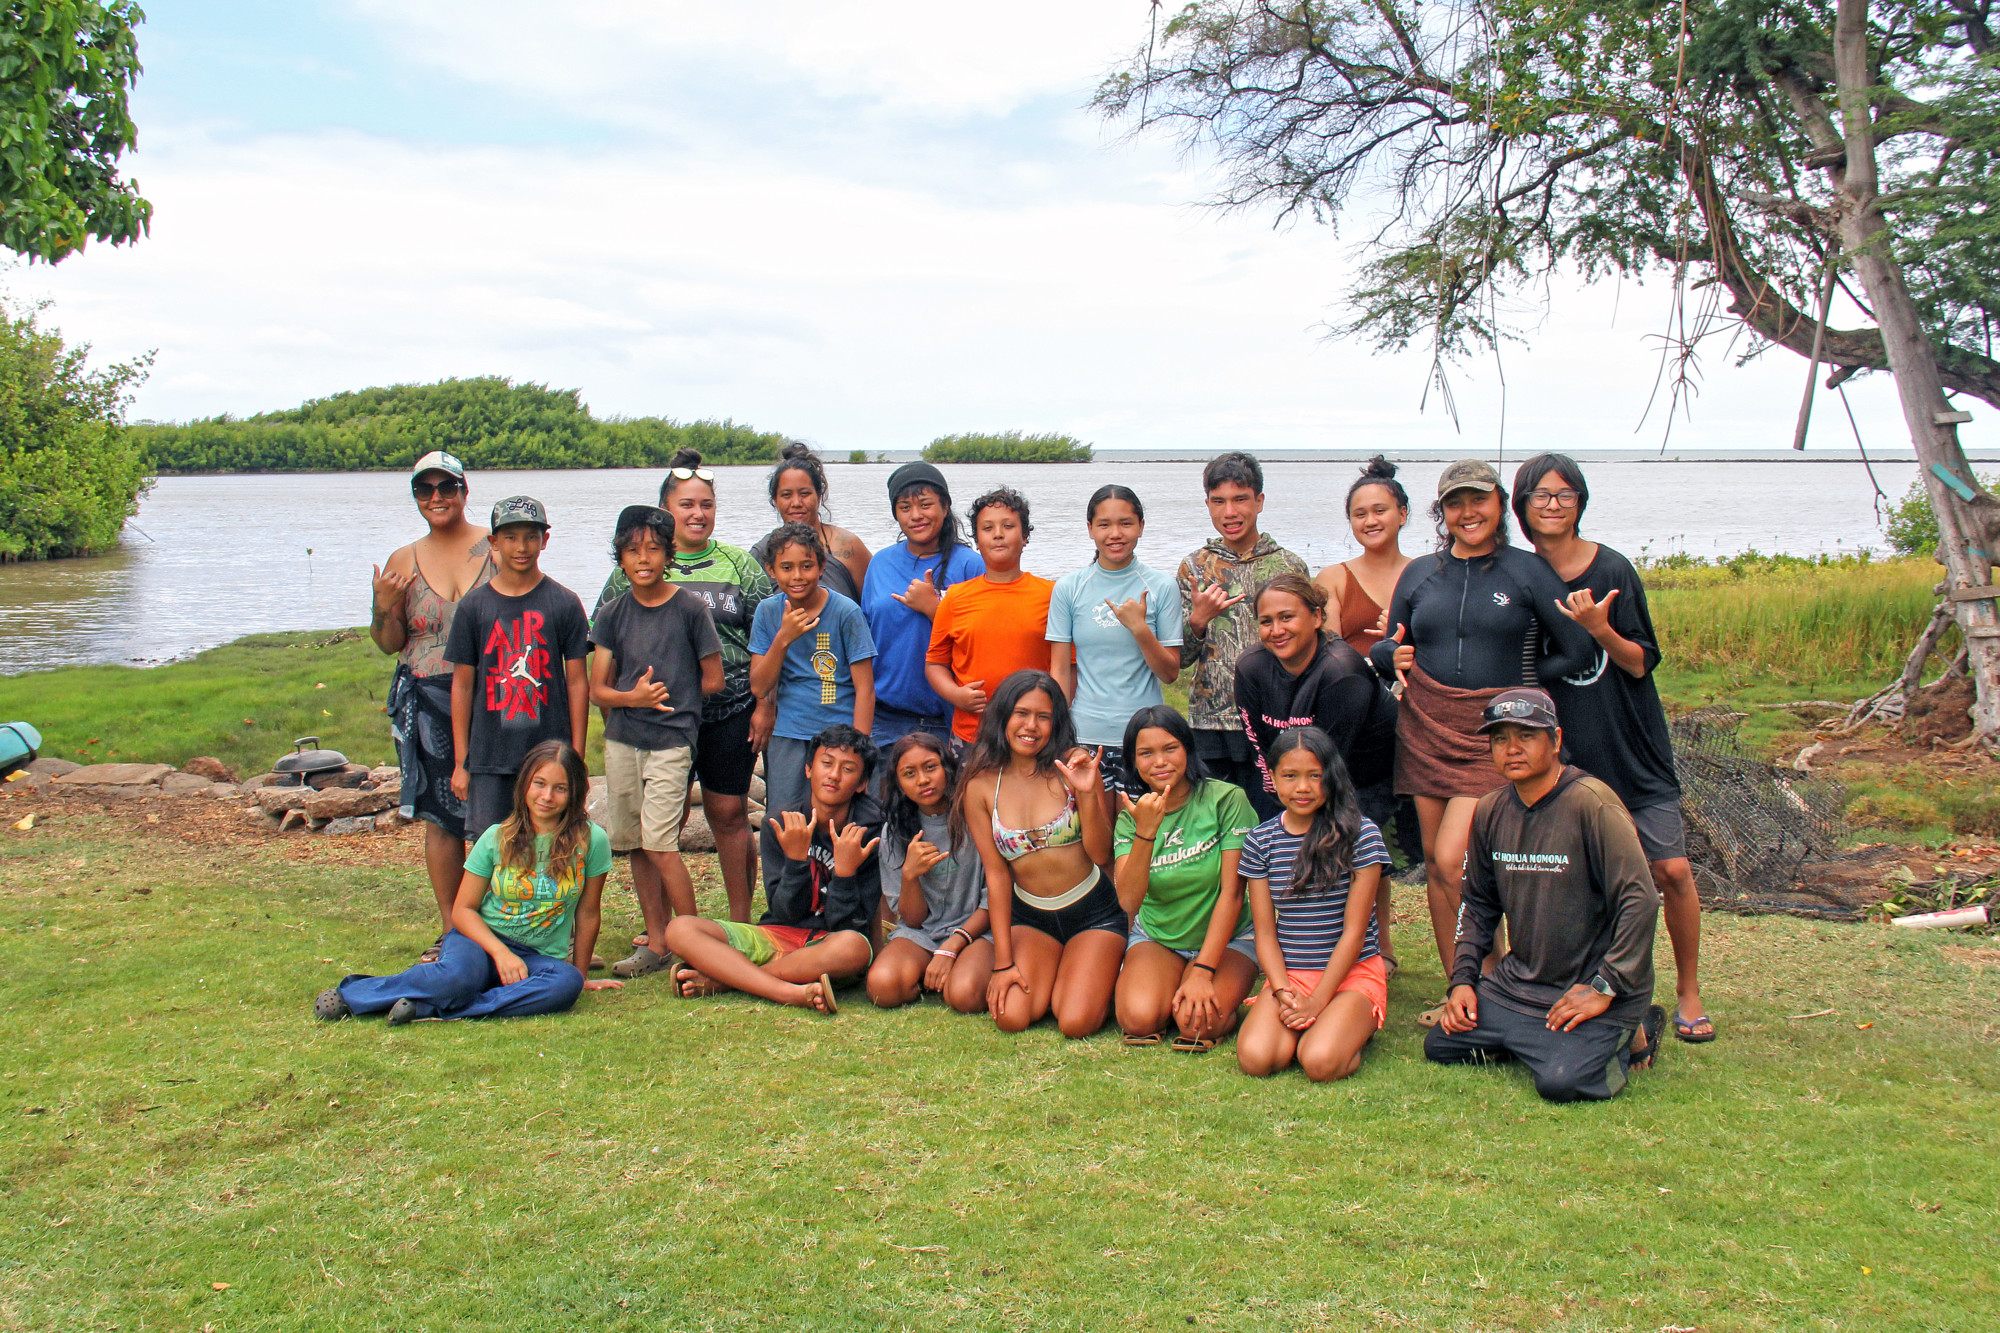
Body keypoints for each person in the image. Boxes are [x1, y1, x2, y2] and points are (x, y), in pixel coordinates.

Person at [1369, 460, 1597, 1008]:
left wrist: (1518, 687)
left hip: (1494, 736)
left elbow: (1579, 650)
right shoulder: (1421, 573)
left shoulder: (1528, 571)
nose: (1467, 513)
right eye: (1454, 503)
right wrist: (1385, 655)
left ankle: (1494, 983)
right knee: (1435, 863)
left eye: (1478, 501)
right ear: (1441, 512)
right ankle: (1463, 988)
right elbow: (1388, 648)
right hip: (1425, 724)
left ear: (1499, 505)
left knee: (1454, 860)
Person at [1513, 453, 1712, 1044]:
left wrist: (1600, 629)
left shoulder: (1614, 569)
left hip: (1633, 744)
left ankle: (1689, 990)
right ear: (1521, 505)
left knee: (1670, 870)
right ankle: (1594, 989)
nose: (1553, 504)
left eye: (1564, 494)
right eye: (1541, 495)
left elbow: (1642, 661)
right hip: (1566, 760)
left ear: (1580, 501)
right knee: (1582, 884)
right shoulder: (1520, 578)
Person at [1424, 688, 1666, 1101]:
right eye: (1500, 739)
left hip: (1591, 985)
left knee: (1561, 1083)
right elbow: (1478, 904)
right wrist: (1462, 981)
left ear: (1555, 741)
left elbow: (1640, 899)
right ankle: (1542, 1037)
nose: (1512, 749)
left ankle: (1633, 1028)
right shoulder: (1490, 809)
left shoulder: (1592, 803)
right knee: (1444, 1044)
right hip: (1521, 983)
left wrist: (1605, 986)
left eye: (1526, 736)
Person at [315, 741, 622, 1023]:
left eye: (560, 788)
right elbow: (463, 910)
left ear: (575, 793)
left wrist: (580, 976)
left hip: (539, 958)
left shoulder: (591, 840)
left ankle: (434, 1008)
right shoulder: (496, 837)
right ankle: (353, 993)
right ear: (525, 784)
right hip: (479, 941)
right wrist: (501, 953)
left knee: (564, 985)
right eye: (539, 784)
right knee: (457, 978)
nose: (547, 796)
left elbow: (587, 913)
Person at [596, 448, 776, 923]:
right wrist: (616, 715)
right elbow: (604, 649)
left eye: (707, 505)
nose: (698, 514)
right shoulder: (631, 572)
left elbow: (769, 638)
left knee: (729, 815)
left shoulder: (741, 566)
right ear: (666, 511)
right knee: (656, 826)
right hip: (652, 721)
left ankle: (739, 925)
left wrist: (764, 706)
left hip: (728, 710)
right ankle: (661, 932)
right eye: (686, 505)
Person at [1234, 572, 1400, 969]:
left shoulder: (1342, 671)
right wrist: (1280, 793)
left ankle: (1378, 948)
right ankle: (1293, 944)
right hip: (1291, 769)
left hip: (1363, 769)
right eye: (1266, 621)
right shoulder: (1251, 668)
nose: (1276, 630)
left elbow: (1331, 761)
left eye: (1287, 617)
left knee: (1359, 856)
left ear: (1317, 616)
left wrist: (1300, 794)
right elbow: (1259, 743)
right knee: (1289, 845)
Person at [589, 505, 725, 980]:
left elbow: (714, 677)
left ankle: (694, 946)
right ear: (620, 559)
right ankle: (658, 940)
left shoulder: (689, 609)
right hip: (624, 739)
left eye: (652, 548)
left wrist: (666, 696)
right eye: (632, 550)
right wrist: (633, 697)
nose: (642, 558)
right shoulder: (612, 613)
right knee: (636, 846)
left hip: (672, 741)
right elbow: (597, 689)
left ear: (669, 555)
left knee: (663, 843)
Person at [368, 450, 493, 962]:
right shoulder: (402, 560)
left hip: (492, 697)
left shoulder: (498, 545)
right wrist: (381, 605)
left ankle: (512, 918)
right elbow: (387, 640)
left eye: (447, 488)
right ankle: (452, 927)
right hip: (426, 695)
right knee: (440, 816)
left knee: (499, 810)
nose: (437, 498)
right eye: (426, 490)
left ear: (465, 490)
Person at [665, 725, 882, 1013]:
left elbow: (851, 926)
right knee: (680, 928)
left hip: (828, 945)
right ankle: (785, 990)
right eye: (826, 763)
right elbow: (783, 914)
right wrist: (795, 861)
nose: (833, 775)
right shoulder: (781, 822)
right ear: (808, 769)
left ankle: (727, 980)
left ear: (862, 783)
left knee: (853, 947)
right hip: (776, 934)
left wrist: (844, 873)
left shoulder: (872, 831)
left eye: (848, 769)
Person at [956, 671, 1124, 1038]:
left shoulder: (1073, 770)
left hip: (1094, 912)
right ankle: (1063, 976)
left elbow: (1101, 853)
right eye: (1021, 713)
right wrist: (1002, 964)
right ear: (1003, 716)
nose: (1031, 726)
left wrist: (1088, 793)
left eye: (1043, 717)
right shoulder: (980, 785)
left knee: (1075, 1022)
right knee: (1011, 1017)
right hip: (1032, 919)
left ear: (1056, 723)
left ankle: (1097, 978)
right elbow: (997, 876)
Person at [1235, 727, 1393, 1081]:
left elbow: (1355, 933)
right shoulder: (1260, 841)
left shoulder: (1361, 835)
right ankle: (1314, 1025)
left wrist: (1319, 1000)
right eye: (1290, 776)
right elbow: (1265, 932)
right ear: (1272, 776)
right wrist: (1280, 990)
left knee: (1319, 1062)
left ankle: (1342, 1025)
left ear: (1331, 776)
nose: (1302, 788)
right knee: (1257, 1059)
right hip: (1290, 975)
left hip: (1351, 973)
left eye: (1314, 776)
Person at [1111, 705, 1261, 1052]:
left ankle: (1217, 999)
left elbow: (1232, 894)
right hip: (1160, 936)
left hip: (1228, 939)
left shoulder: (1227, 800)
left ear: (1188, 749)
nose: (1159, 762)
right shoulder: (1132, 818)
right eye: (1146, 753)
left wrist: (1204, 969)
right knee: (1138, 1018)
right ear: (1134, 763)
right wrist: (1146, 833)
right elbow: (1129, 902)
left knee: (1197, 1025)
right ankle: (1166, 984)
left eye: (1170, 748)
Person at [444, 496, 590, 843]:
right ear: (493, 542)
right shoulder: (474, 606)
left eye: (530, 536)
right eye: (510, 537)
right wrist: (462, 761)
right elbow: (463, 686)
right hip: (490, 757)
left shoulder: (565, 603)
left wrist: (577, 758)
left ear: (545, 540)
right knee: (491, 848)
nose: (521, 547)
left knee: (550, 846)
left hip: (549, 756)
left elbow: (577, 684)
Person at [749, 522, 877, 891]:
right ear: (771, 571)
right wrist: (784, 638)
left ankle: (839, 895)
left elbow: (865, 688)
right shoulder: (769, 613)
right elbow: (759, 684)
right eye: (786, 568)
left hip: (838, 734)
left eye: (806, 566)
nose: (797, 575)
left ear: (822, 567)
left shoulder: (845, 612)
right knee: (782, 818)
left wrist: (861, 749)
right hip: (790, 733)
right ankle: (782, 900)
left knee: (838, 819)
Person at [1175, 452, 1310, 799]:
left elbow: (1309, 648)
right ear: (1207, 504)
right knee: (1218, 820)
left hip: (1275, 717)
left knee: (1274, 814)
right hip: (1210, 721)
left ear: (1259, 501)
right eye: (1218, 502)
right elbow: (1181, 658)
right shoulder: (1195, 567)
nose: (1229, 512)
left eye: (1240, 500)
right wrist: (1198, 619)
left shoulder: (1289, 566)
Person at [1047, 484, 1182, 816]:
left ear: (1141, 526)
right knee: (1094, 842)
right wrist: (1060, 735)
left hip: (1144, 738)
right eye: (1104, 525)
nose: (1115, 534)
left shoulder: (1161, 586)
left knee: (1142, 838)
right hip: (1086, 733)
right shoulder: (1069, 588)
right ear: (1090, 529)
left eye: (1126, 523)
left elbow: (1169, 672)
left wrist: (1139, 629)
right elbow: (1061, 670)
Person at [860, 462, 985, 758]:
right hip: (884, 718)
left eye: (925, 504)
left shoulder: (970, 564)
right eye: (904, 507)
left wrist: (935, 610)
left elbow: (981, 643)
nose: (916, 516)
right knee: (883, 804)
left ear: (945, 506)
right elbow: (864, 641)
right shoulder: (880, 563)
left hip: (948, 717)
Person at [866, 732, 995, 1012]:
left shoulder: (976, 815)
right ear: (898, 783)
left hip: (978, 931)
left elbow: (995, 899)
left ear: (947, 767)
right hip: (923, 933)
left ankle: (954, 969)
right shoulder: (896, 830)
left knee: (964, 996)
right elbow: (912, 920)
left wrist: (953, 945)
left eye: (930, 767)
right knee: (882, 987)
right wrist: (910, 876)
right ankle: (930, 971)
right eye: (909, 773)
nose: (922, 780)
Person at [926, 489, 1055, 750]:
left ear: (1025, 536)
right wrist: (956, 695)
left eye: (1008, 526)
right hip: (972, 733)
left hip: (1034, 734)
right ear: (976, 540)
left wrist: (1053, 715)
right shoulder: (956, 597)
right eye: (987, 528)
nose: (998, 533)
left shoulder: (1051, 594)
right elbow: (935, 663)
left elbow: (1067, 668)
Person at [1315, 456, 1413, 656]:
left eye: (1380, 511)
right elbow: (1329, 656)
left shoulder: (1425, 574)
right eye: (1360, 514)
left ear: (1402, 514)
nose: (1370, 521)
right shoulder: (1333, 579)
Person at [750, 441, 871, 598]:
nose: (796, 503)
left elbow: (874, 606)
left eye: (805, 494)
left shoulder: (848, 546)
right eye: (786, 495)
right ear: (775, 500)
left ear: (819, 496)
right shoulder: (762, 553)